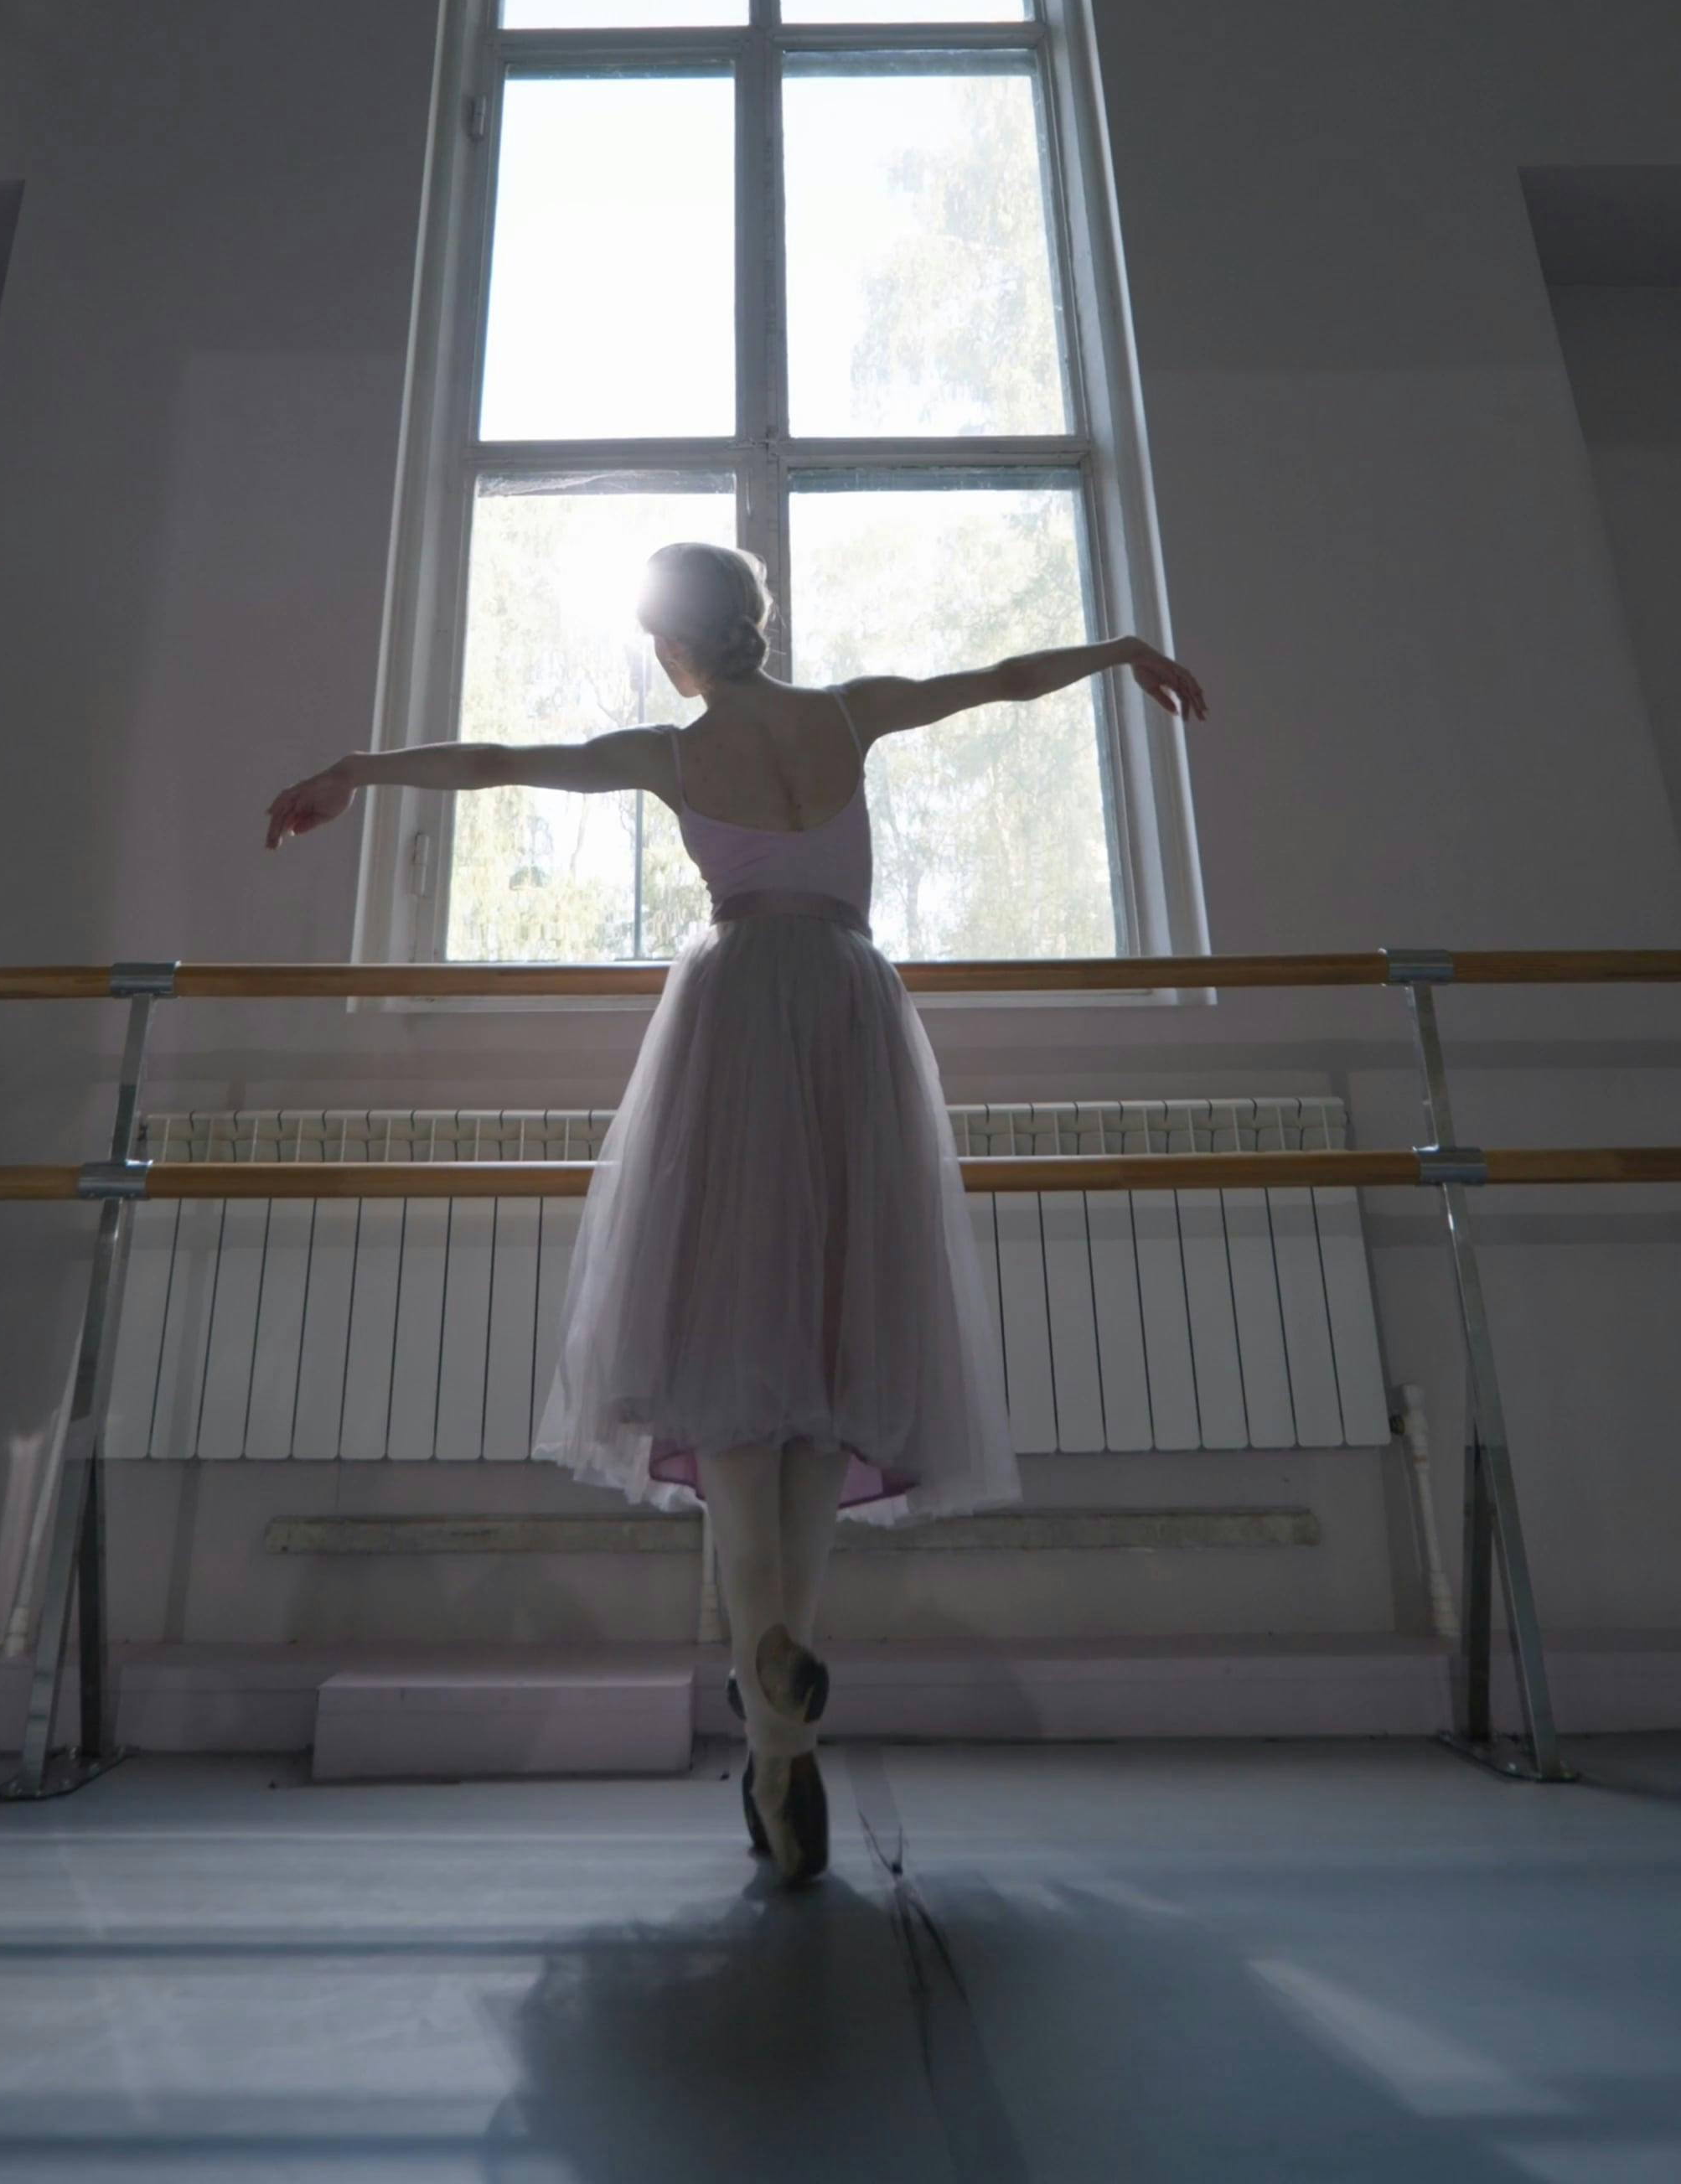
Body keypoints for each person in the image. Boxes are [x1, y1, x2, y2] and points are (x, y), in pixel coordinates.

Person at [266, 542, 1207, 1883]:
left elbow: (499, 763)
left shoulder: (671, 749)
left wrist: (355, 774)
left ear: (675, 647)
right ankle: (779, 1716)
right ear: (756, 627)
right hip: (847, 1010)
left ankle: (771, 1700)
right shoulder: (845, 713)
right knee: (828, 1360)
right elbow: (1000, 680)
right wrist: (1120, 654)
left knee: (726, 1380)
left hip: (733, 1018)